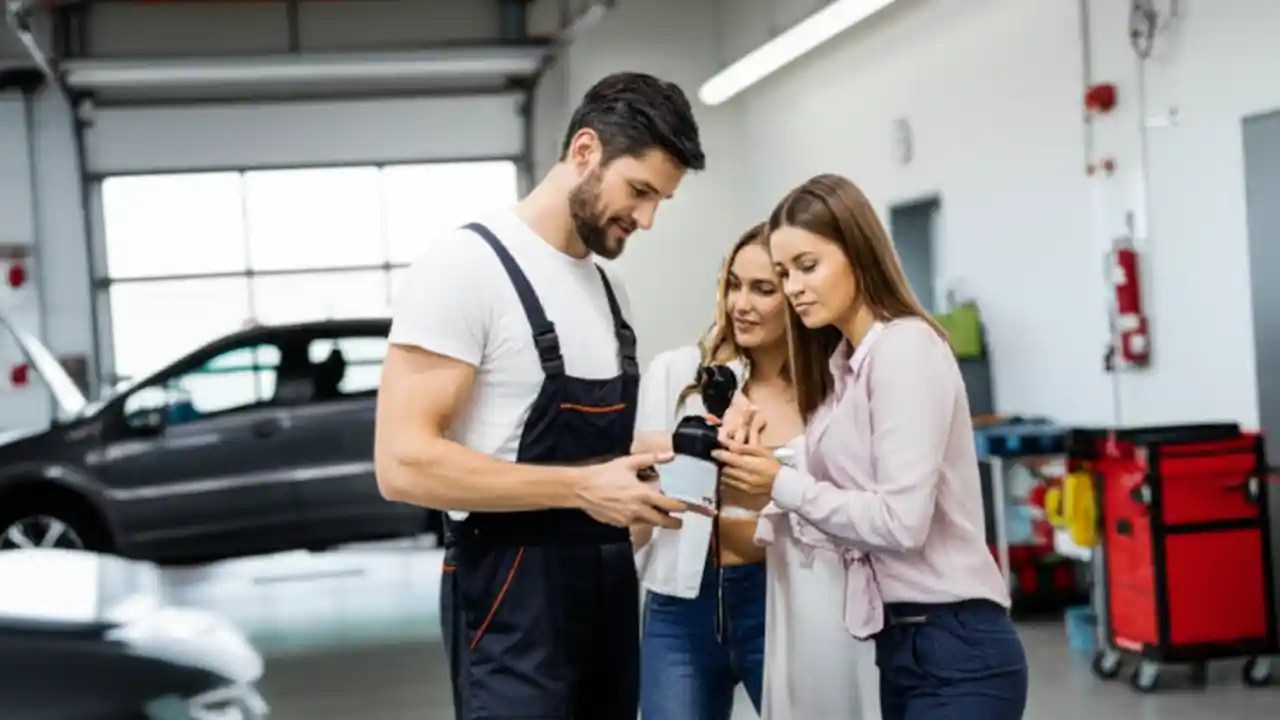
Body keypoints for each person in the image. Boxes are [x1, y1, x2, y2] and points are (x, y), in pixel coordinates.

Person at [374, 72, 706, 720]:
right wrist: (580, 489)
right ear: (585, 151)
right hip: (510, 603)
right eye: (639, 191)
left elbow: (582, 457)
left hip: (608, 596)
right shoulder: (467, 267)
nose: (646, 219)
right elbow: (401, 463)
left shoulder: (611, 294)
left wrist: (662, 454)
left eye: (660, 201)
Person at [713, 174, 1028, 720]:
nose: (793, 288)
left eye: (807, 267)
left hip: (955, 644)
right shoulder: (844, 372)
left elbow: (900, 521)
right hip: (899, 645)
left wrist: (782, 485)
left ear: (857, 253)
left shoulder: (903, 348)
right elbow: (838, 511)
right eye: (784, 274)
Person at [631, 223, 879, 720]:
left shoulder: (837, 390)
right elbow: (637, 479)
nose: (740, 303)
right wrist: (690, 444)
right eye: (733, 284)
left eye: (763, 289)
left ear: (795, 294)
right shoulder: (679, 374)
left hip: (785, 598)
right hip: (683, 602)